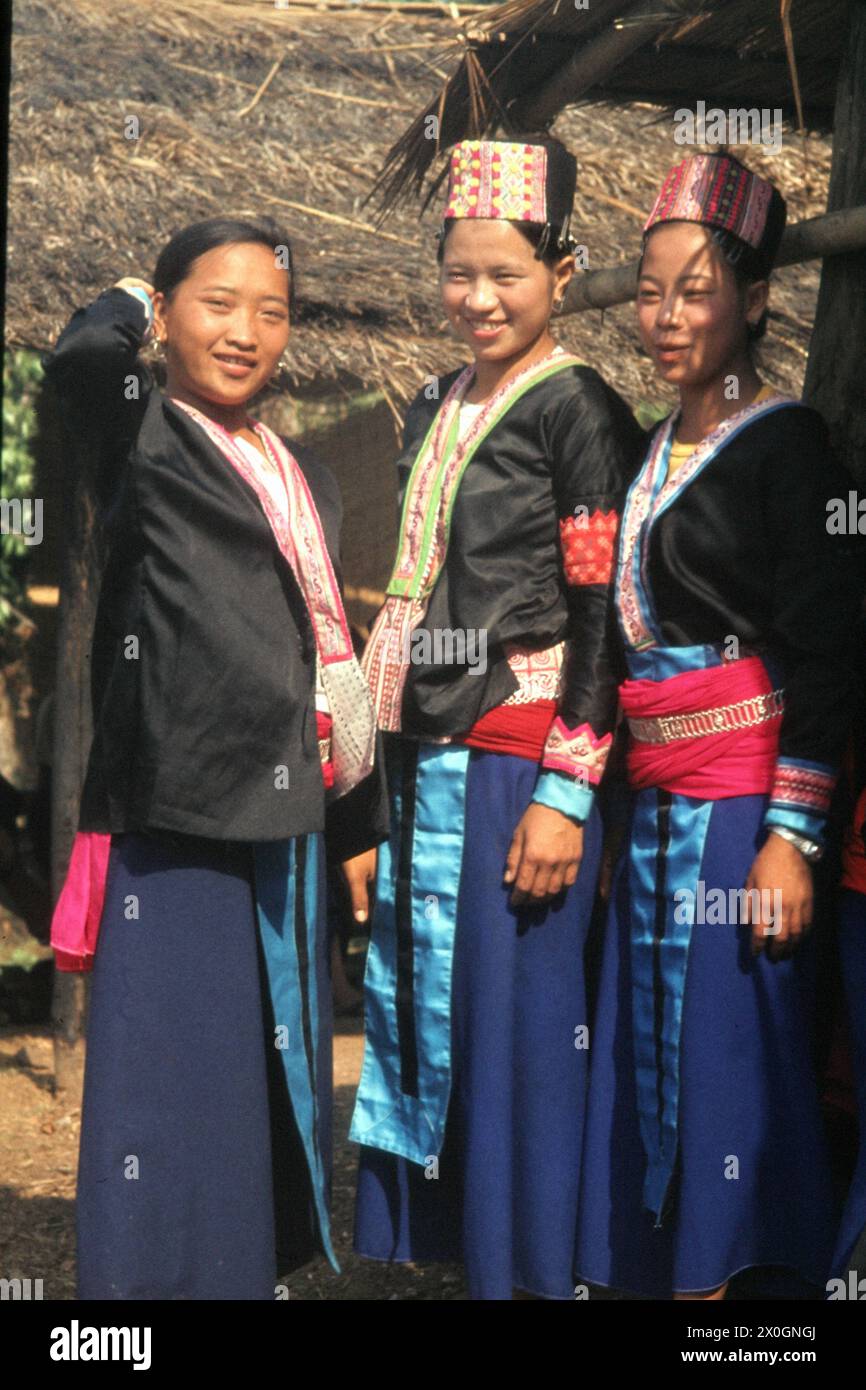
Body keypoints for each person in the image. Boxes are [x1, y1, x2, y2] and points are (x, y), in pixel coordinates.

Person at [44, 216, 386, 1300]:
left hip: (283, 817)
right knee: (163, 1081)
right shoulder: (142, 428)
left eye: (271, 311)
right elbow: (82, 360)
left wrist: (354, 824)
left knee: (253, 1082)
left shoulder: (301, 474)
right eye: (215, 302)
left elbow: (321, 648)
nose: (246, 331)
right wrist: (130, 300)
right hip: (178, 814)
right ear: (167, 312)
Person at [348, 135, 645, 1300]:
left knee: (524, 1028)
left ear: (561, 273)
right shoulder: (434, 400)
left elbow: (601, 605)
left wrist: (568, 791)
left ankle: (534, 1275)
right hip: (436, 749)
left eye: (505, 277)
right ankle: (477, 1257)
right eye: (457, 274)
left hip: (523, 758)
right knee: (446, 1014)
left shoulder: (578, 412)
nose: (477, 299)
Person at [575, 152, 862, 1300]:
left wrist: (790, 833)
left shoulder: (785, 449)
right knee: (657, 1067)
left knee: (734, 1069)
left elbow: (828, 651)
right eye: (649, 292)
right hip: (655, 810)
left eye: (693, 290)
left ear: (750, 300)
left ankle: (742, 1300)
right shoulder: (650, 450)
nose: (664, 316)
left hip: (742, 811)